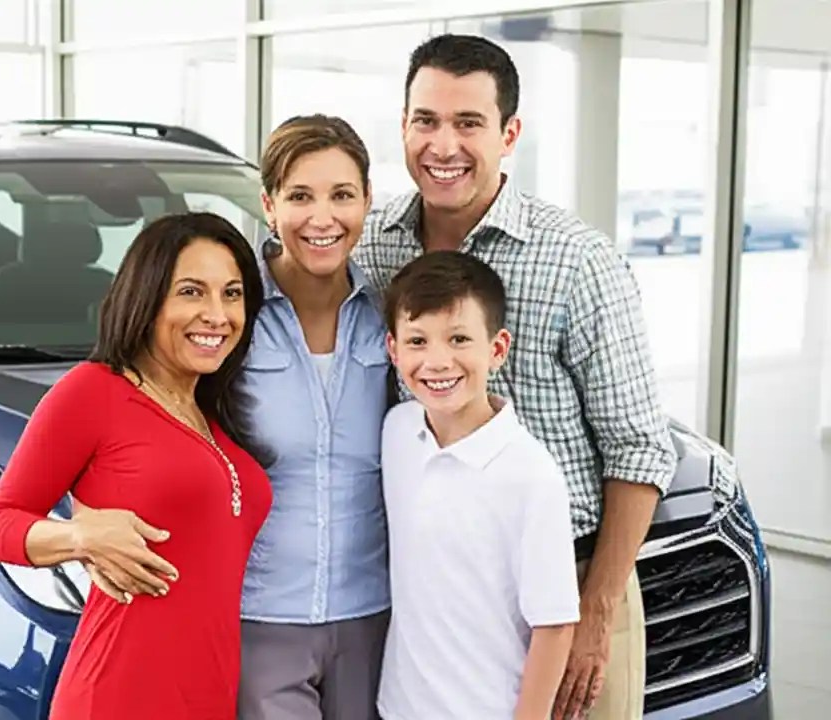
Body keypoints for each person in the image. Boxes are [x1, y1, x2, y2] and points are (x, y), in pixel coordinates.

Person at [352, 33, 678, 720]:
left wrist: (595, 615)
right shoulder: (372, 245)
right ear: (404, 124)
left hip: (573, 588)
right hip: (435, 603)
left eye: (469, 123)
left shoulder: (577, 260)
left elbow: (639, 450)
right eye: (426, 121)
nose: (444, 146)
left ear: (510, 133)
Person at [0, 211, 272, 720]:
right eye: (191, 292)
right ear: (147, 298)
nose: (218, 314)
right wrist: (81, 538)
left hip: (207, 697)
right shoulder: (93, 391)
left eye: (233, 293)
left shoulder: (212, 412)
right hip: (118, 695)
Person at [234, 113, 393, 720]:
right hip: (260, 617)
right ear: (269, 206)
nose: (322, 218)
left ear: (367, 202)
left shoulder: (391, 316)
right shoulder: (232, 315)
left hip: (374, 615)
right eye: (300, 196)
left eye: (342, 195)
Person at [377, 249, 579, 720]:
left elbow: (554, 623)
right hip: (398, 708)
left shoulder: (531, 475)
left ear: (497, 348)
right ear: (394, 350)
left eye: (459, 338)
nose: (438, 361)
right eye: (418, 341)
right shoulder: (397, 429)